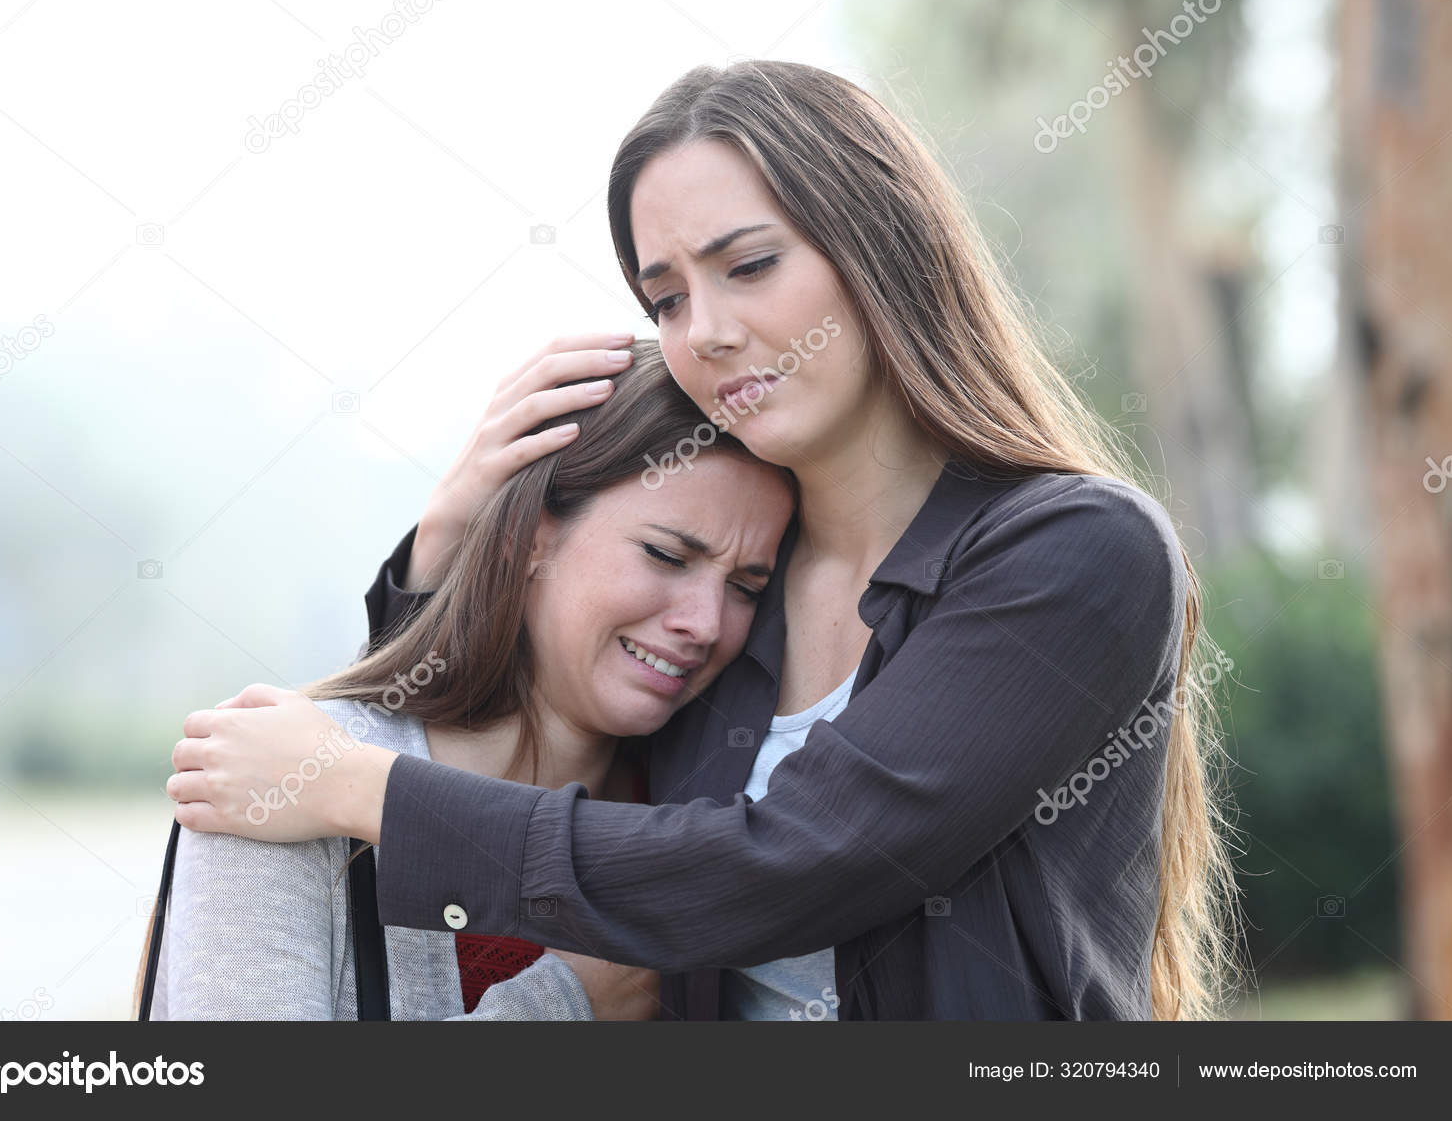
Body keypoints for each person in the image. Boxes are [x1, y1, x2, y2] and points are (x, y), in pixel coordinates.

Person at [166, 59, 1239, 1020]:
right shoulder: (736, 593)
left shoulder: (1075, 552)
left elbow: (801, 864)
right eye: (665, 297)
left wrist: (358, 789)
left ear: (883, 244)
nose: (706, 333)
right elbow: (537, 716)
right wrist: (458, 537)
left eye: (749, 265)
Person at [137, 339, 795, 1019]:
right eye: (666, 554)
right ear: (533, 537)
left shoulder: (698, 826)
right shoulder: (283, 774)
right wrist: (560, 1006)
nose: (706, 622)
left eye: (747, 587)